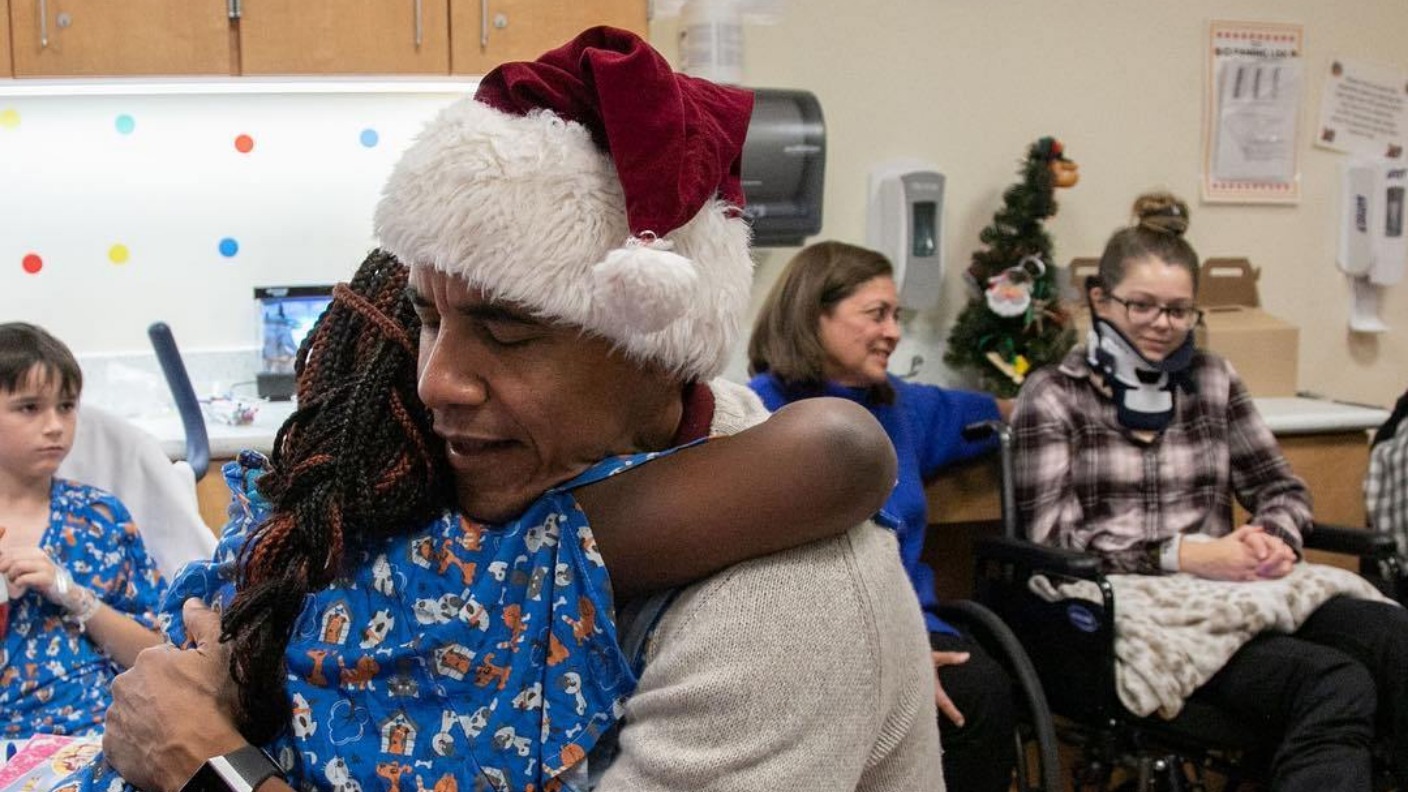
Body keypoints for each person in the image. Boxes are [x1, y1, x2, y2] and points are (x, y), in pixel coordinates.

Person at [94, 28, 942, 792]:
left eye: (506, 330)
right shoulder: (447, 519)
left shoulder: (778, 605)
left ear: (658, 349)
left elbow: (843, 450)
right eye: (429, 319)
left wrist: (205, 766)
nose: (437, 383)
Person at [1011, 191, 1408, 792]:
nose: (1161, 325)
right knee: (1335, 682)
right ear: (1099, 299)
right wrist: (1178, 554)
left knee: (1393, 639)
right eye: (1141, 306)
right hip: (1130, 611)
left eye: (1178, 310)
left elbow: (1282, 487)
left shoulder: (1214, 379)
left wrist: (1272, 536)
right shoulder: (1054, 394)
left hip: (1234, 596)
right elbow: (1052, 544)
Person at [747, 240, 1015, 792]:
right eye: (876, 314)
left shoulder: (899, 406)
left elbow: (1005, 412)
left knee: (979, 690)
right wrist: (894, 667)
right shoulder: (754, 412)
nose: (893, 331)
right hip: (814, 637)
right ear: (812, 314)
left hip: (911, 623)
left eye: (896, 315)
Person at [0, 322, 167, 738]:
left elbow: (157, 655)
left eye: (67, 406)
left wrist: (74, 596)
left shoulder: (98, 518)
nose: (55, 426)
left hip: (97, 736)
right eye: (29, 408)